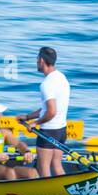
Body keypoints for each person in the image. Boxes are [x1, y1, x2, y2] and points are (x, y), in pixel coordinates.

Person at [22, 46, 71, 177]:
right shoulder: (62, 77)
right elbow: (47, 108)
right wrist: (28, 117)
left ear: (42, 61)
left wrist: (35, 123)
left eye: (37, 59)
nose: (37, 62)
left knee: (43, 169)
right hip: (61, 130)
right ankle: (64, 194)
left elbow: (51, 112)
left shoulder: (46, 84)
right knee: (56, 165)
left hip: (48, 131)